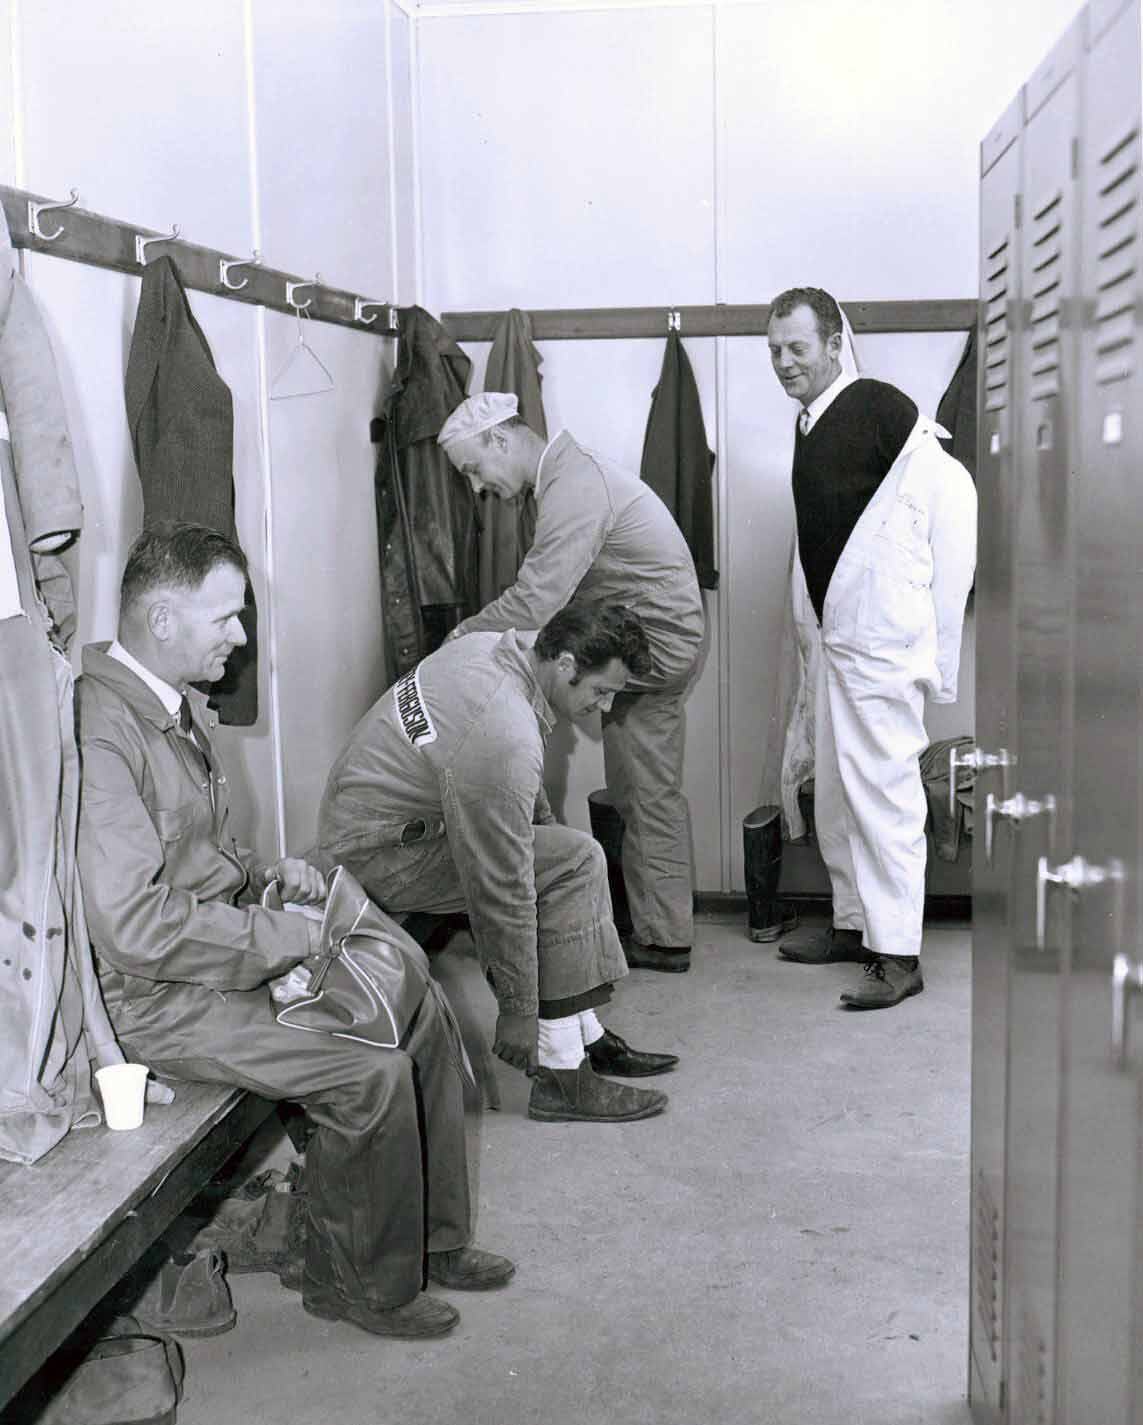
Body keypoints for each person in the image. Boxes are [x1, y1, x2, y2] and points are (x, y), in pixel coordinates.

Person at [76, 522, 513, 1341]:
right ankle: (354, 1281)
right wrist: (286, 939)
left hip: (218, 957)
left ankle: (433, 1238)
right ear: (162, 619)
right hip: (159, 1002)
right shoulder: (103, 728)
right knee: (366, 1072)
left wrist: (269, 875)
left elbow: (196, 854)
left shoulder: (160, 705)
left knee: (420, 1006)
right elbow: (133, 927)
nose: (242, 638)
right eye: (227, 618)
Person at [315, 600, 680, 1122]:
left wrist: (550, 843)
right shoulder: (500, 727)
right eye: (602, 692)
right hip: (378, 856)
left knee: (569, 857)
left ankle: (582, 1032)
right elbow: (500, 883)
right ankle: (561, 1077)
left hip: (386, 825)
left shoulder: (494, 649)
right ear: (567, 664)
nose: (603, 709)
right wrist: (516, 1009)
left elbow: (519, 803)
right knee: (575, 862)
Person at [435, 392, 704, 974]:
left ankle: (663, 937)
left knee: (645, 790)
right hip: (640, 633)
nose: (478, 486)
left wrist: (462, 637)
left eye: (474, 469)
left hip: (656, 645)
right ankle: (643, 917)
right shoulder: (561, 476)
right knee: (634, 784)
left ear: (500, 440)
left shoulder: (573, 488)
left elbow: (536, 599)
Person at [766, 287, 976, 1010]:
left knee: (882, 792)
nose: (784, 362)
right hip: (835, 639)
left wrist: (928, 633)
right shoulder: (810, 421)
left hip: (878, 641)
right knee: (835, 789)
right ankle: (855, 923)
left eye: (797, 347)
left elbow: (948, 501)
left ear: (832, 343)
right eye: (774, 350)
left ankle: (898, 952)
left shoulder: (877, 405)